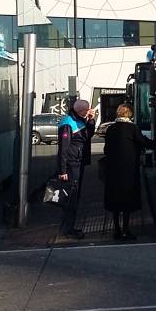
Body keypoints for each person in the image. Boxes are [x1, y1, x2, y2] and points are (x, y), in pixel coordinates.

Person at [102, 105, 156, 240]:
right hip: (128, 169)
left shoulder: (110, 129)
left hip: (112, 170)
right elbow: (144, 142)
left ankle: (116, 230)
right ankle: (125, 230)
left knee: (115, 200)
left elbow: (106, 150)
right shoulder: (132, 128)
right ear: (129, 115)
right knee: (127, 199)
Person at [57, 99, 93, 240]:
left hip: (78, 162)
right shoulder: (68, 124)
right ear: (81, 111)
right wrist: (63, 170)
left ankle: (69, 227)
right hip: (72, 165)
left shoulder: (79, 120)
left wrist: (90, 121)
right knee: (71, 197)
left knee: (75, 196)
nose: (89, 112)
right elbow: (63, 149)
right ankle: (67, 229)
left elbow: (87, 136)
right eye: (87, 110)